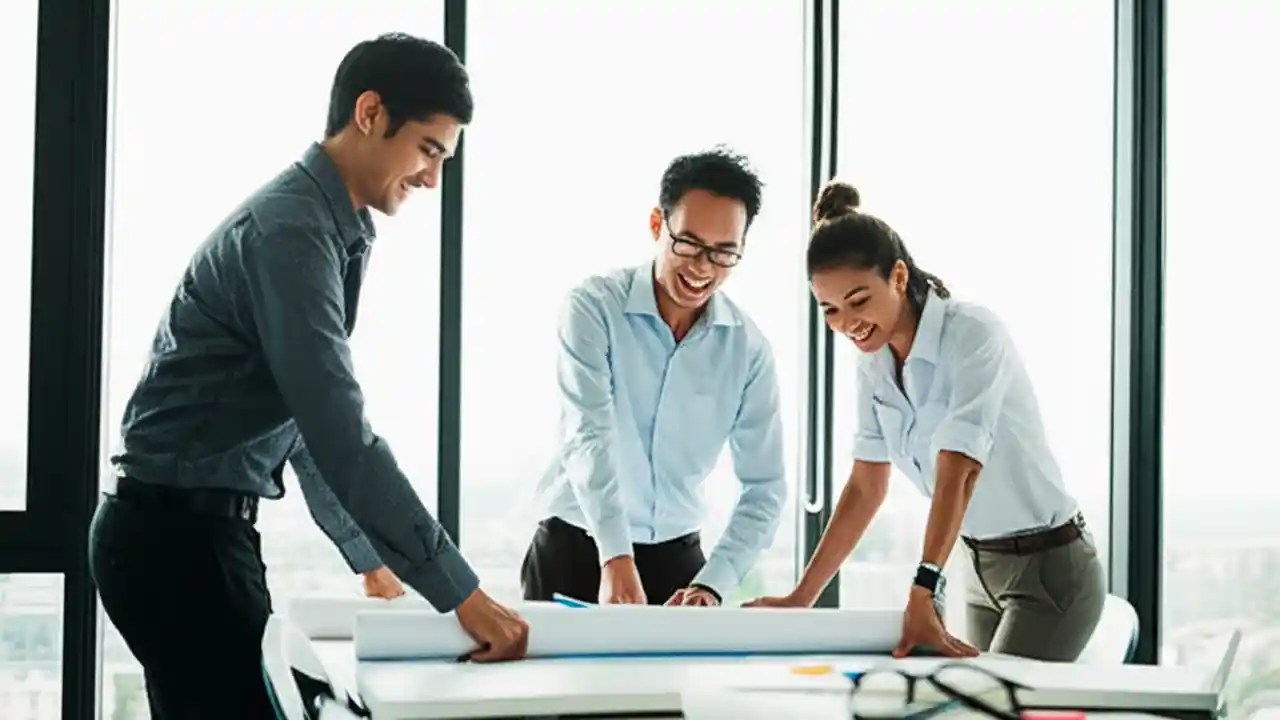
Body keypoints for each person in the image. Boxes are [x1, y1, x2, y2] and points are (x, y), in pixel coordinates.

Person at [89, 33, 529, 719]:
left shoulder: (330, 229)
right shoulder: (292, 233)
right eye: (429, 150)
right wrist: (463, 596)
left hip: (189, 538)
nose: (433, 178)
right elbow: (339, 432)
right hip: (176, 546)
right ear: (371, 113)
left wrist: (368, 558)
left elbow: (299, 423)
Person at [747, 181, 1105, 662]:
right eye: (829, 309)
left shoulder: (972, 334)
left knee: (993, 708)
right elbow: (865, 486)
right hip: (975, 566)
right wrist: (802, 596)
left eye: (858, 300)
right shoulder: (872, 363)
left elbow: (959, 470)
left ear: (897, 276)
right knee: (961, 705)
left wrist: (923, 584)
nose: (846, 322)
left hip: (1048, 568)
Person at [520, 148, 789, 609]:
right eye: (688, 243)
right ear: (656, 225)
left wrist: (714, 582)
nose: (702, 267)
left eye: (724, 253)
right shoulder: (594, 308)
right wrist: (616, 556)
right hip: (577, 548)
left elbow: (765, 488)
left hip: (680, 568)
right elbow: (588, 435)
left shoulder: (748, 349)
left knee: (678, 686)